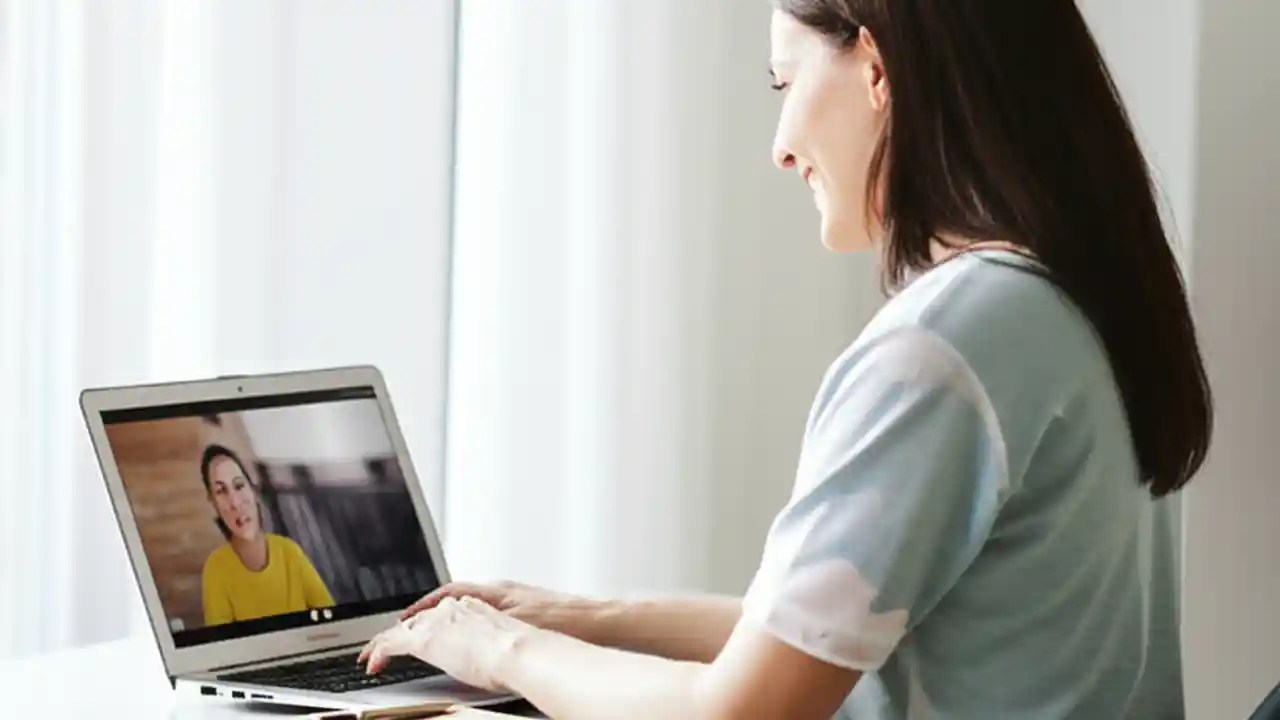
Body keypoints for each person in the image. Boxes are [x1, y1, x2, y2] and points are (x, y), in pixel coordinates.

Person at [359, 2, 1212, 718]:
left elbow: (739, 712)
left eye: (786, 80)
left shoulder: (944, 346)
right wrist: (581, 617)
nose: (780, 145)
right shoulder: (1067, 299)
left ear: (875, 68)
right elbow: (843, 636)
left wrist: (498, 649)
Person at [199, 444, 335, 626]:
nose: (235, 503)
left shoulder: (289, 551)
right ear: (213, 503)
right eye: (221, 491)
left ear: (253, 491)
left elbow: (330, 617)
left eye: (239, 486)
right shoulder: (215, 569)